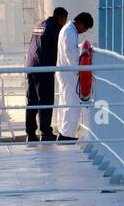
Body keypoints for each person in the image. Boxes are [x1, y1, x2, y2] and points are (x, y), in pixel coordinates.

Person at [25, 7, 68, 142]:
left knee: (32, 101)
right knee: (46, 100)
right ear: (62, 19)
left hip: (31, 66)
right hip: (43, 68)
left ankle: (31, 134)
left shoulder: (40, 25)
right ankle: (45, 132)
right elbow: (61, 49)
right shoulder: (54, 29)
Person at [55, 12, 94, 141]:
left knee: (66, 102)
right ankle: (67, 135)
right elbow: (70, 53)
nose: (84, 31)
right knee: (72, 103)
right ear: (81, 23)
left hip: (66, 73)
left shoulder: (68, 30)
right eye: (86, 28)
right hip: (69, 74)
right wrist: (80, 69)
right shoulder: (69, 32)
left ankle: (64, 132)